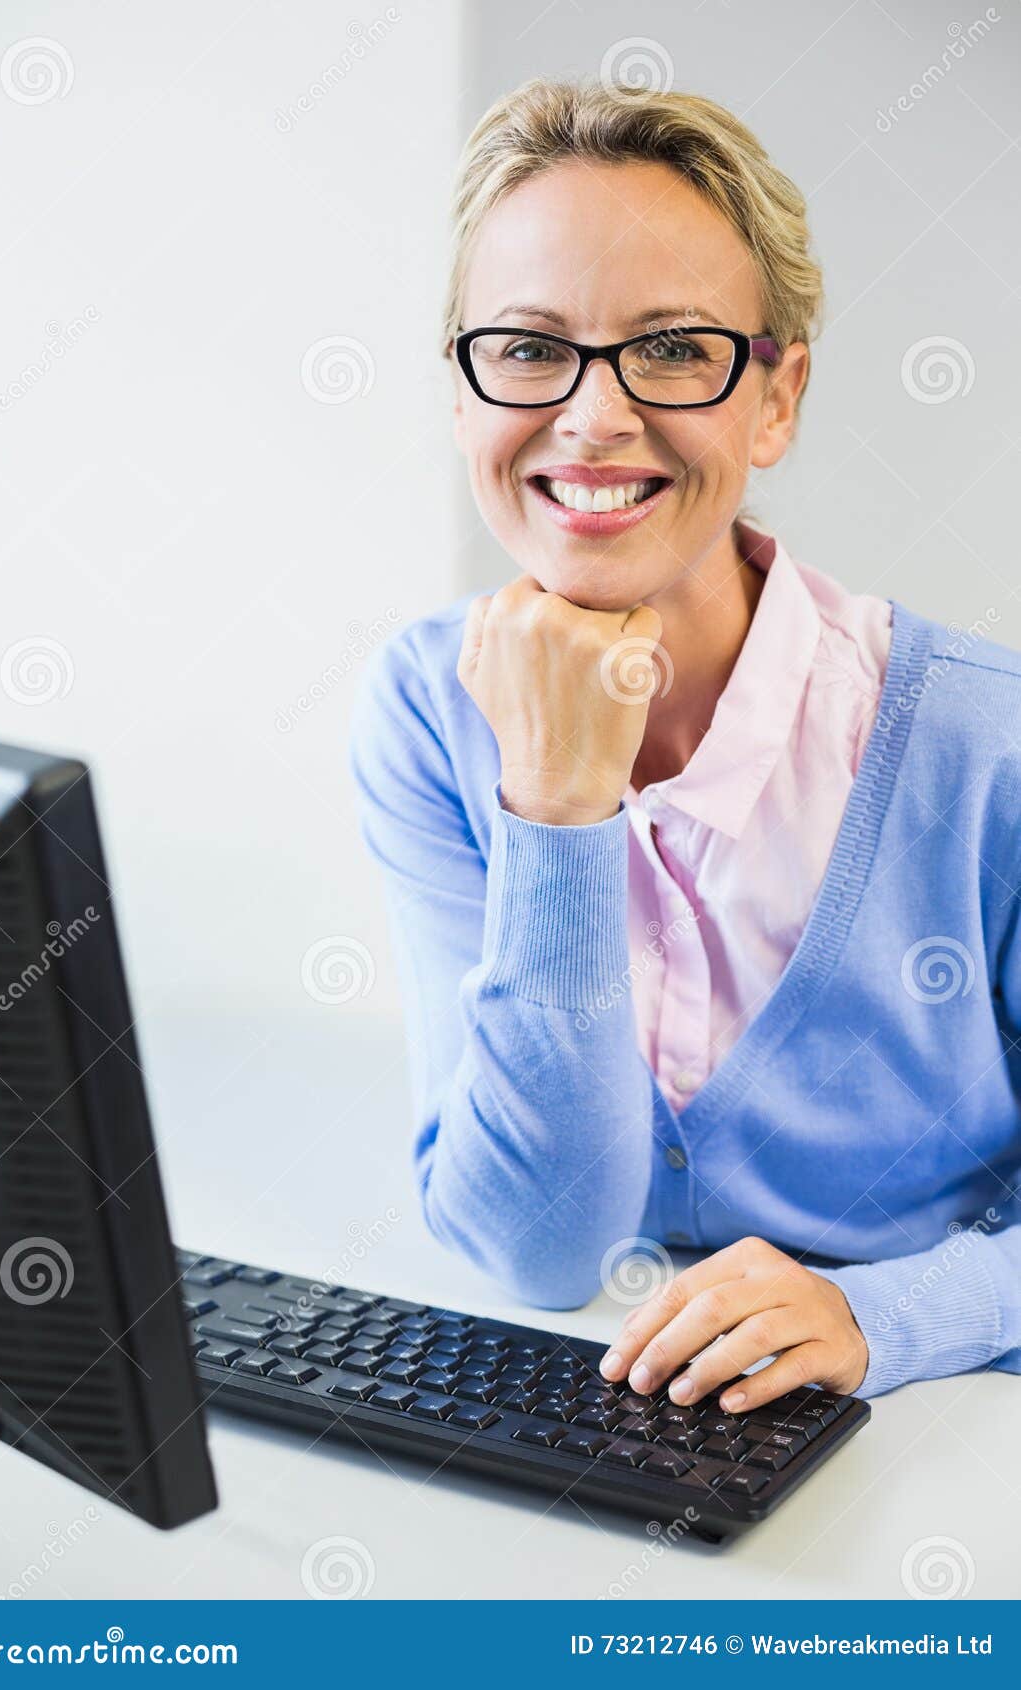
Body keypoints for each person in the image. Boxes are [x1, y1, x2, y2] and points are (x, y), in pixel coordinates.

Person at [350, 77, 1021, 1415]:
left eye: (671, 349)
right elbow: (542, 1247)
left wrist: (872, 1313)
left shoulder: (983, 742)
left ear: (775, 400)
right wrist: (556, 802)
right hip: (587, 1438)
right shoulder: (429, 707)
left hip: (934, 1455)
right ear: (466, 390)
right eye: (529, 349)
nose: (592, 417)